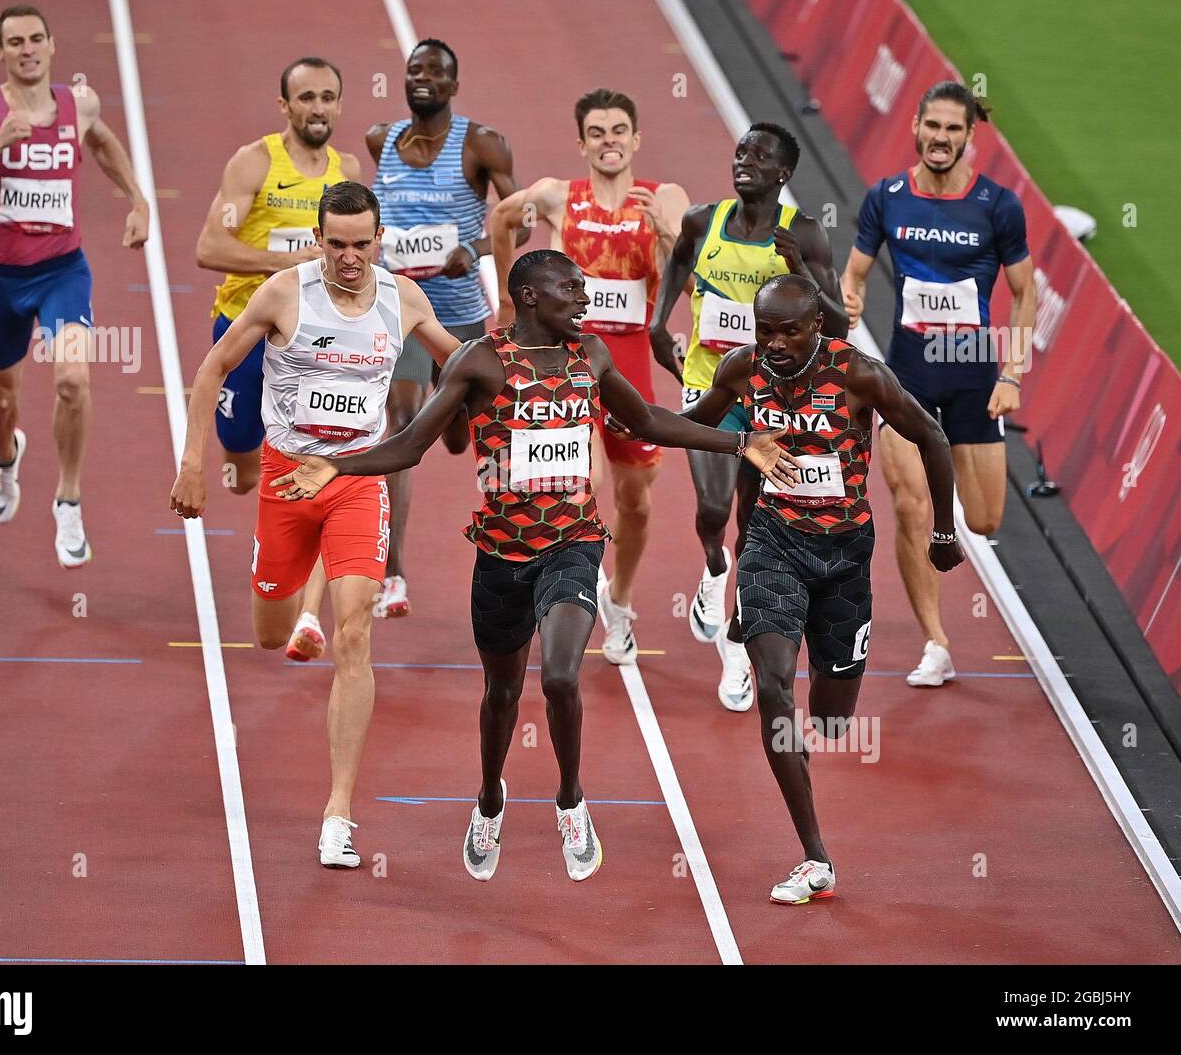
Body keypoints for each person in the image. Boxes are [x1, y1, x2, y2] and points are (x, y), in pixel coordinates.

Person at [267, 250, 796, 882]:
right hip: (499, 554)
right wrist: (339, 465)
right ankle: (490, 797)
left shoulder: (592, 357)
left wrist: (741, 442)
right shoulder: (479, 362)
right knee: (502, 694)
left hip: (573, 543)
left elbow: (649, 420)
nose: (585, 300)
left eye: (585, 290)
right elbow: (410, 445)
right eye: (570, 290)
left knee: (561, 677)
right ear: (527, 297)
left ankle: (571, 798)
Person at [170, 183, 462, 869]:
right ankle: (282, 576)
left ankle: (338, 812)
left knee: (353, 629)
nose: (351, 257)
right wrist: (193, 462)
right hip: (282, 478)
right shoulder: (282, 294)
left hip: (357, 480)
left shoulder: (403, 299)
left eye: (363, 244)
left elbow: (463, 363)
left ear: (379, 239)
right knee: (272, 632)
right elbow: (213, 369)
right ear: (320, 238)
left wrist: (528, 373)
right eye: (338, 244)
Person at [680, 274, 963, 903]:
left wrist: (943, 531)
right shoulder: (740, 367)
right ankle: (814, 855)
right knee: (775, 685)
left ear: (816, 326)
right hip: (772, 545)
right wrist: (629, 416)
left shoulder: (859, 375)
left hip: (843, 557)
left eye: (789, 331)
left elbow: (932, 436)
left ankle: (817, 720)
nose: (775, 344)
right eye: (766, 331)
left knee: (833, 720)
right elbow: (688, 424)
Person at [0, 3, 148, 567]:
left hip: (62, 273)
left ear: (52, 46)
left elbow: (99, 141)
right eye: (15, 42)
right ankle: (7, 457)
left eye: (36, 39)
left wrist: (137, 199)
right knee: (0, 398)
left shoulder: (80, 103)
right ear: (0, 53)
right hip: (0, 282)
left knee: (74, 380)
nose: (27, 49)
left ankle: (68, 500)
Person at [840, 81, 1036, 687]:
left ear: (970, 137)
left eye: (954, 129)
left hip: (975, 368)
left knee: (984, 521)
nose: (942, 138)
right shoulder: (887, 198)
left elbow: (1029, 292)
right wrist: (847, 304)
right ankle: (936, 642)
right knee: (907, 504)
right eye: (933, 127)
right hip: (909, 372)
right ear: (916, 129)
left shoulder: (998, 206)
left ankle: (950, 494)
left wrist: (1013, 372)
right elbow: (855, 273)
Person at [490, 88, 690, 665]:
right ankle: (557, 595)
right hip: (566, 360)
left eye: (619, 130)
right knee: (581, 482)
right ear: (582, 143)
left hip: (627, 363)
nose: (609, 141)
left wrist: (669, 235)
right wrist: (511, 305)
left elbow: (694, 277)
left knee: (636, 502)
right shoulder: (556, 196)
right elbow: (503, 220)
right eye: (597, 132)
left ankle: (620, 603)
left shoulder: (665, 197)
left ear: (636, 139)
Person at [650, 124, 847, 709]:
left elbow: (838, 325)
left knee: (758, 526)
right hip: (710, 384)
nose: (746, 161)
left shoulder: (803, 234)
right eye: (741, 152)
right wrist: (660, 324)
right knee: (713, 511)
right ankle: (714, 567)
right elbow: (679, 264)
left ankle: (737, 647)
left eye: (760, 157)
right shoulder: (702, 221)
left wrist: (803, 273)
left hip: (776, 401)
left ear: (783, 174)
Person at [195, 56, 360, 662]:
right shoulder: (256, 163)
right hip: (246, 328)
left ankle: (302, 600)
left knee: (318, 461)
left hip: (316, 346)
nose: (319, 107)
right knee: (241, 462)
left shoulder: (348, 174)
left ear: (340, 105)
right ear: (285, 106)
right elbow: (210, 245)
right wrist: (288, 268)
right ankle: (254, 486)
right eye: (307, 98)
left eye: (329, 97)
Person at [365, 37, 527, 619]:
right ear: (403, 80)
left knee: (462, 436)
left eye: (437, 71)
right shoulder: (380, 141)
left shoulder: (480, 144)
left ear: (455, 85)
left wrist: (475, 248)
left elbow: (522, 220)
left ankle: (517, 545)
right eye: (415, 69)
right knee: (400, 417)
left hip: (458, 315)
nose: (424, 77)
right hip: (403, 309)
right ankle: (394, 573)